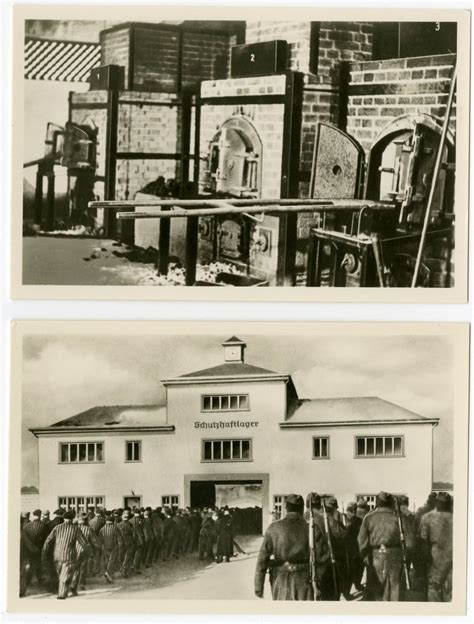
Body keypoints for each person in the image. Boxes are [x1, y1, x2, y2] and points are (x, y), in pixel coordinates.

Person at [255, 494, 327, 601]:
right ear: (302, 508)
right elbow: (324, 558)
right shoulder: (312, 528)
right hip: (304, 582)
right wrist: (317, 582)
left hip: (280, 581)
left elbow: (262, 559)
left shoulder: (273, 528)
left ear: (286, 508)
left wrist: (258, 587)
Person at [357, 491, 414, 601]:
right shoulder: (399, 518)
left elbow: (361, 541)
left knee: (376, 591)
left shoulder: (368, 517)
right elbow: (410, 542)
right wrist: (405, 558)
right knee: (395, 589)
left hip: (375, 557)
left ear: (377, 502)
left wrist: (365, 557)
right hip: (395, 557)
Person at [42, 510, 88, 599]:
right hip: (69, 556)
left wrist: (45, 552)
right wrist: (87, 552)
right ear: (72, 519)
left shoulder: (57, 527)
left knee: (62, 575)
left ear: (64, 518)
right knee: (65, 576)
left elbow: (48, 541)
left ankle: (64, 592)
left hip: (57, 556)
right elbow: (84, 543)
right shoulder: (75, 529)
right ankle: (62, 595)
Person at [419, 492, 453, 602]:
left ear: (436, 503)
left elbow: (423, 541)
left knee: (434, 591)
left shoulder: (427, 517)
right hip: (453, 561)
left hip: (436, 560)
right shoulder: (458, 518)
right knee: (451, 593)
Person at [70, 513, 99, 592]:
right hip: (84, 550)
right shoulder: (88, 529)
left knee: (74, 567)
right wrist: (97, 548)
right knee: (83, 567)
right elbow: (94, 541)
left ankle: (73, 583)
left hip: (74, 550)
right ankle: (81, 583)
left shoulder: (73, 528)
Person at [21, 509, 49, 586]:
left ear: (33, 516)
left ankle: (27, 581)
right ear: (40, 516)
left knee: (30, 564)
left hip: (29, 549)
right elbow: (47, 538)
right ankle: (39, 578)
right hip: (39, 549)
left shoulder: (27, 526)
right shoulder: (44, 526)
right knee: (39, 564)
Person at [344, 502, 364, 595]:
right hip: (354, 549)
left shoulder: (350, 520)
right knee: (352, 571)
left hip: (352, 549)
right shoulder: (355, 521)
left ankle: (356, 585)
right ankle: (347, 592)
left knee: (355, 570)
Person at [99, 513, 120, 583]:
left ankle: (106, 574)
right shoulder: (115, 528)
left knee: (106, 560)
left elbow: (100, 540)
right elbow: (119, 538)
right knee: (112, 560)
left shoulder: (102, 529)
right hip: (114, 546)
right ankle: (108, 573)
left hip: (105, 546)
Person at [119, 509, 136, 577]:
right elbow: (133, 534)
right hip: (129, 542)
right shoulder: (130, 525)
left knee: (122, 556)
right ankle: (124, 569)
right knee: (128, 556)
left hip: (120, 542)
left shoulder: (118, 525)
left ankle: (122, 568)